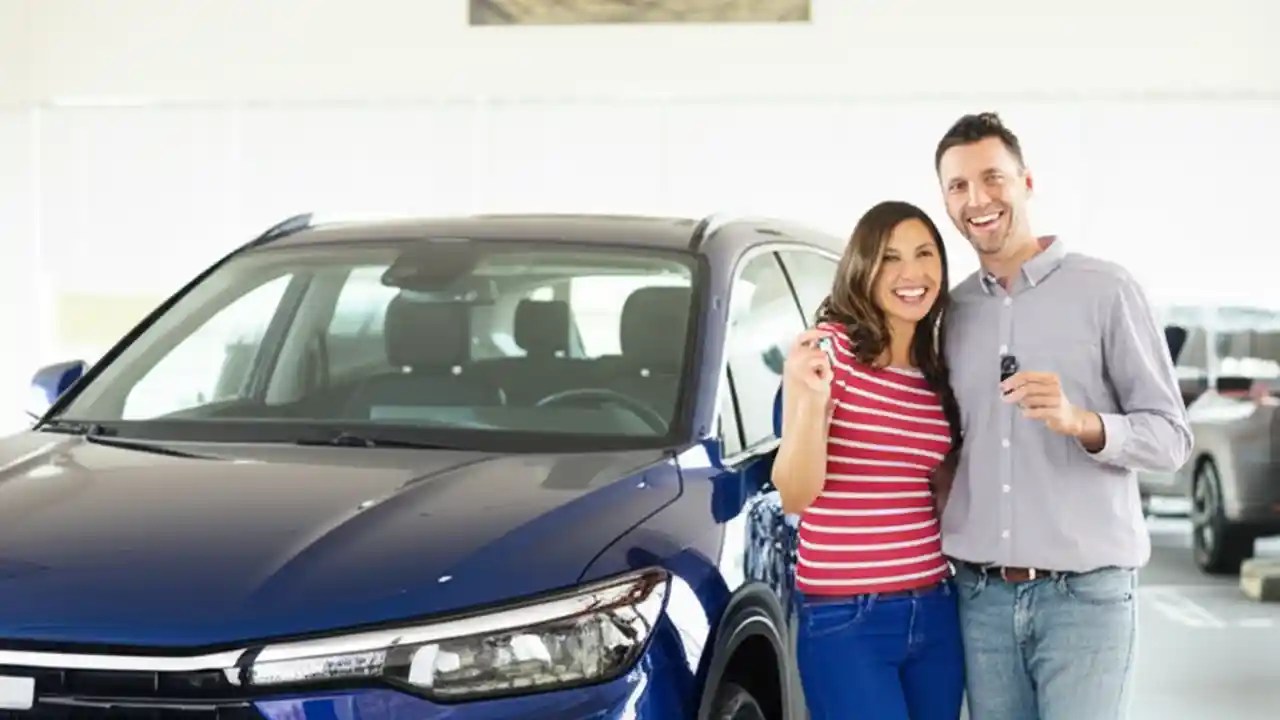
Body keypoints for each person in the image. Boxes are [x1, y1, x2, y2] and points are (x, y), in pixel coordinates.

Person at [931, 111, 1193, 720]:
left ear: (1026, 183)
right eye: (959, 186)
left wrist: (1086, 423)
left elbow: (1172, 439)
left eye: (992, 178)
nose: (978, 199)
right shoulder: (954, 311)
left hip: (1086, 600)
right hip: (981, 600)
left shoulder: (1106, 290)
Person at [772, 200, 965, 720]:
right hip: (846, 618)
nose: (911, 273)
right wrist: (809, 405)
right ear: (863, 269)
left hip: (935, 608)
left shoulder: (935, 371)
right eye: (890, 258)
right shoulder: (826, 355)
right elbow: (795, 493)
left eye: (925, 254)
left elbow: (938, 492)